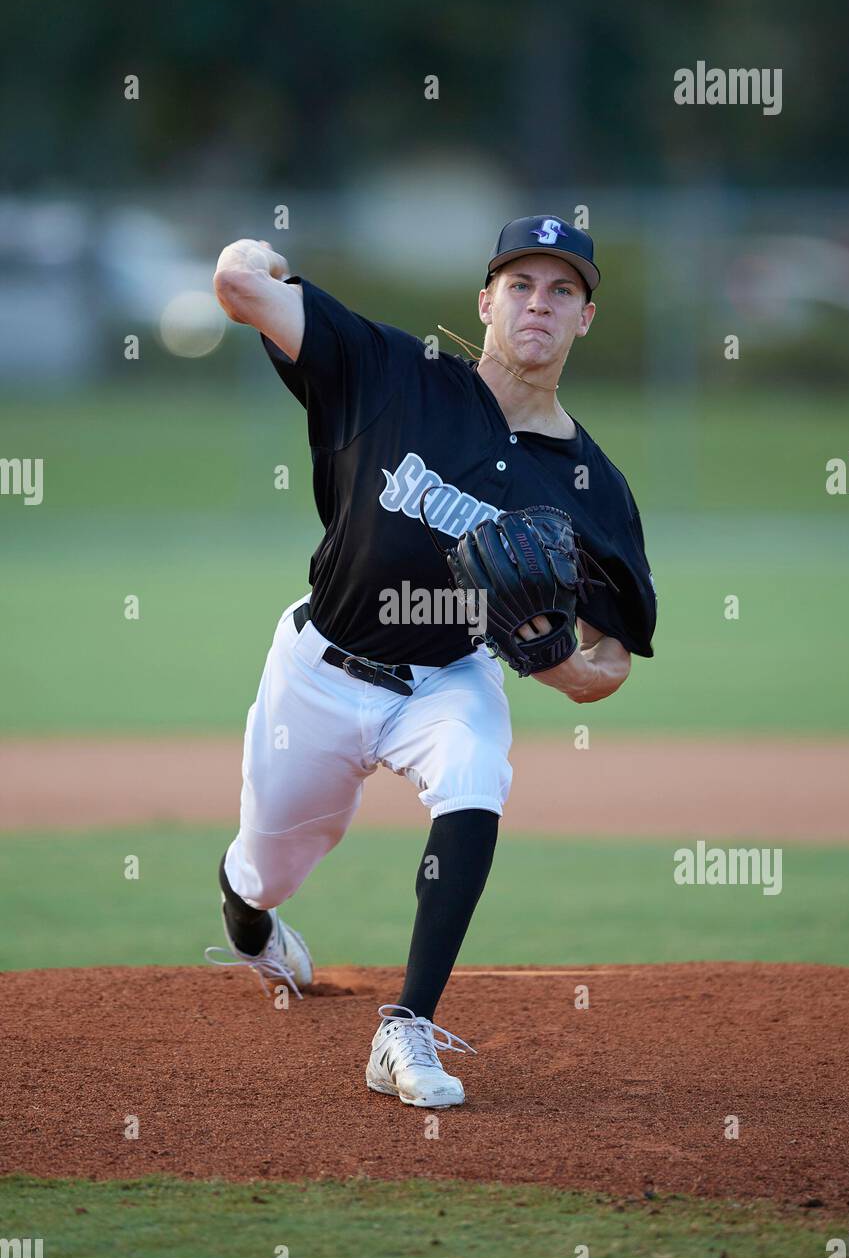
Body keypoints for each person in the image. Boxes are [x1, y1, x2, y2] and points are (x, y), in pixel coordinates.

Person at [207, 214, 656, 1107]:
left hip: (450, 680)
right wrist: (265, 258)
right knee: (268, 868)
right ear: (485, 301)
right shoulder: (390, 373)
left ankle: (405, 1029)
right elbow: (237, 285)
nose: (540, 303)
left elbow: (612, 663)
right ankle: (250, 921)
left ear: (585, 318)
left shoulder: (592, 489)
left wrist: (557, 659)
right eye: (521, 284)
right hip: (320, 669)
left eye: (563, 289)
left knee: (478, 770)